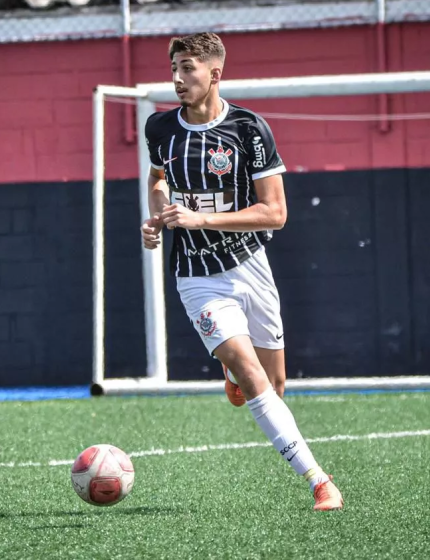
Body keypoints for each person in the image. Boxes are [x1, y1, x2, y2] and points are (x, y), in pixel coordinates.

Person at [140, 32, 343, 511]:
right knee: (252, 378)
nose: (177, 77)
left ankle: (236, 373)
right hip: (196, 276)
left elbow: (275, 213)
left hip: (250, 266)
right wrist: (158, 218)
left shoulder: (250, 129)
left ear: (215, 73)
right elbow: (157, 180)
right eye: (174, 67)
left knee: (274, 385)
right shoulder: (159, 129)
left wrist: (200, 217)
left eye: (188, 68)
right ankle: (319, 481)